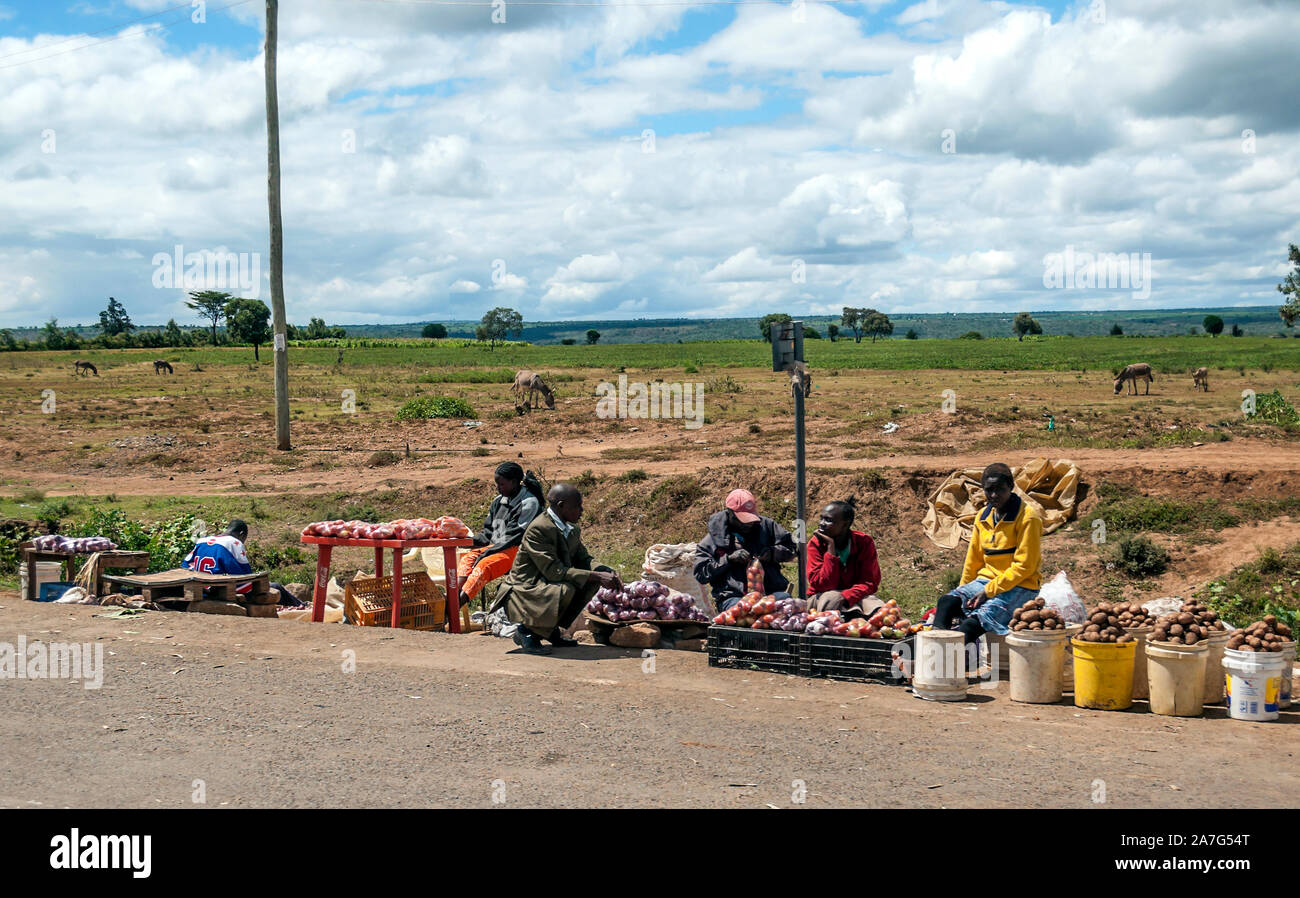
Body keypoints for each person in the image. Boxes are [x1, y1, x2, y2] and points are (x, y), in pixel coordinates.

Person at [490, 483, 622, 655]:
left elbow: (583, 559)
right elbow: (554, 571)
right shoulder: (540, 528)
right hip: (525, 587)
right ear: (561, 506)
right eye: (577, 506)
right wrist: (597, 575)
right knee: (566, 589)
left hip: (545, 582)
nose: (581, 510)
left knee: (588, 583)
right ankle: (526, 632)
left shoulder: (571, 529)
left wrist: (604, 570)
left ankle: (548, 629)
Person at [933, 463, 1042, 645]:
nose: (994, 495)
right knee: (946, 602)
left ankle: (943, 663)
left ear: (1011, 487)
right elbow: (973, 560)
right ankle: (933, 649)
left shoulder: (1028, 518)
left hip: (1021, 586)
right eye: (989, 490)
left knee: (974, 623)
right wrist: (963, 593)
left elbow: (1025, 566)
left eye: (1000, 490)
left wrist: (988, 592)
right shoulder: (983, 517)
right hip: (986, 582)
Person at [457, 462, 544, 609]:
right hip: (497, 548)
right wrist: (465, 541)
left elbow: (513, 537)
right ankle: (453, 599)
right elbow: (488, 534)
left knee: (484, 566)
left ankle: (454, 607)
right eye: (497, 484)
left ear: (514, 482)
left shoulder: (529, 503)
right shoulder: (498, 502)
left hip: (520, 551)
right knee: (467, 559)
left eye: (502, 484)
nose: (498, 488)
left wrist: (487, 553)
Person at [693, 488, 797, 612]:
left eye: (750, 519)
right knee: (743, 612)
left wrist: (773, 553)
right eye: (742, 520)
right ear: (730, 513)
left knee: (787, 603)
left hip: (769, 594)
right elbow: (700, 573)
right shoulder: (713, 539)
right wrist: (728, 560)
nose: (748, 524)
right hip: (733, 597)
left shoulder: (767, 527)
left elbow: (791, 547)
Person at [182, 520, 295, 603]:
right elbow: (245, 575)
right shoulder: (234, 543)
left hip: (202, 588)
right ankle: (302, 606)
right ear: (241, 534)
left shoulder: (202, 541)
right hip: (221, 589)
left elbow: (186, 564)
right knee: (276, 586)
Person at [807, 497, 882, 616]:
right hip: (822, 595)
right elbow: (823, 585)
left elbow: (869, 582)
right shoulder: (815, 544)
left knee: (876, 606)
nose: (821, 523)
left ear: (845, 524)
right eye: (821, 518)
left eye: (828, 520)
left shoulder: (863, 542)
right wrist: (830, 550)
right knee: (832, 599)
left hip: (854, 594)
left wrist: (847, 596)